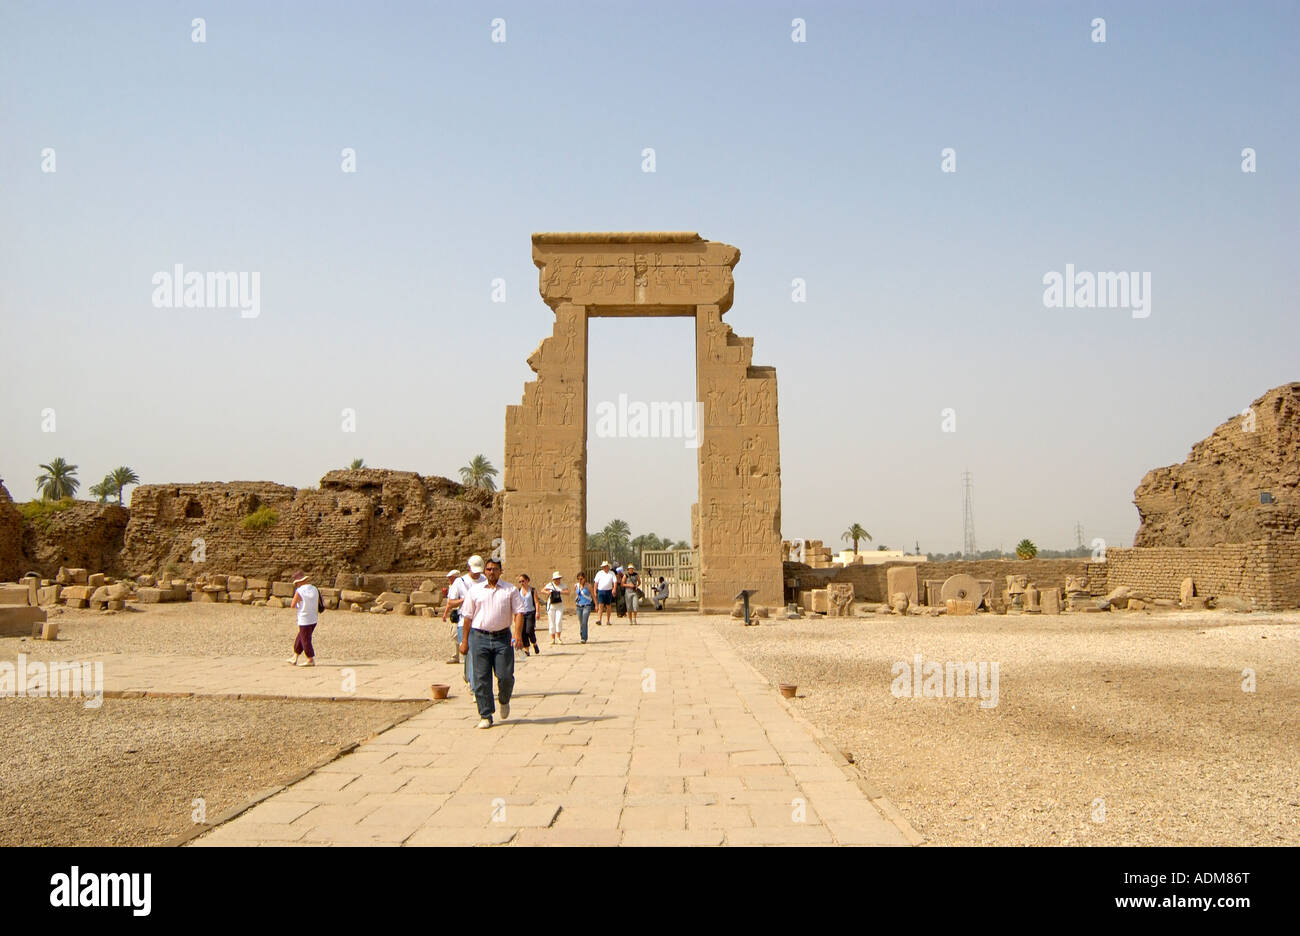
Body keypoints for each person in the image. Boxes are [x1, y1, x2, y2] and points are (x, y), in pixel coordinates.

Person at [458, 558, 524, 729]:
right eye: (488, 569)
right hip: (479, 637)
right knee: (481, 679)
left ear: (500, 571)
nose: (491, 572)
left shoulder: (510, 590)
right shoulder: (475, 591)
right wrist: (464, 641)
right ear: (484, 571)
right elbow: (467, 617)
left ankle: (504, 699)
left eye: (494, 569)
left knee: (505, 676)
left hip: (502, 638)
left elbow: (519, 613)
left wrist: (517, 634)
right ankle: (485, 714)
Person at [445, 557, 487, 689]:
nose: (476, 574)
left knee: (475, 655)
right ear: (468, 568)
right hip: (464, 622)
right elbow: (451, 602)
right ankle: (470, 678)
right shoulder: (459, 582)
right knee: (469, 654)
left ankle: (474, 687)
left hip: (480, 622)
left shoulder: (485, 580)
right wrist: (465, 599)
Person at [288, 570, 322, 666]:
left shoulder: (300, 591)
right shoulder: (315, 589)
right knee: (301, 637)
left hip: (304, 618)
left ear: (299, 582)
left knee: (305, 639)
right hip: (313, 617)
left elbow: (293, 605)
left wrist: (300, 604)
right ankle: (295, 656)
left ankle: (310, 659)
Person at [516, 573, 540, 655]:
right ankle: (526, 649)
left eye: (523, 581)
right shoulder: (518, 591)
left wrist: (537, 612)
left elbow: (536, 602)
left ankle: (534, 643)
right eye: (520, 581)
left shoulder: (532, 590)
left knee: (529, 630)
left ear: (527, 580)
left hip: (530, 612)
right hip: (522, 613)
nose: (522, 583)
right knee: (523, 632)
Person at [542, 571, 567, 645]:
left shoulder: (562, 585)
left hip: (559, 605)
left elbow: (568, 592)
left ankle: (558, 637)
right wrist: (548, 592)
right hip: (551, 606)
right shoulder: (550, 585)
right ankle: (552, 638)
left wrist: (560, 592)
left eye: (558, 578)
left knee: (558, 621)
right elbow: (542, 590)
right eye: (556, 579)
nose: (557, 580)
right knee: (551, 621)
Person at [593, 560, 617, 627]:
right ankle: (599, 620)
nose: (604, 568)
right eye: (603, 566)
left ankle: (608, 620)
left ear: (608, 567)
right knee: (600, 605)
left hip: (608, 591)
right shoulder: (599, 573)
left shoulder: (611, 573)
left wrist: (614, 589)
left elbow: (614, 582)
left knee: (608, 606)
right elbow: (596, 583)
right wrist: (595, 591)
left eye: (605, 566)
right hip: (601, 591)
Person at [574, 572, 594, 643]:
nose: (580, 580)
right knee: (581, 622)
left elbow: (593, 595)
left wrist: (596, 605)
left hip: (587, 605)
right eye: (578, 579)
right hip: (579, 606)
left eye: (581, 579)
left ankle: (584, 637)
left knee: (584, 621)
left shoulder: (588, 586)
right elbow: (577, 595)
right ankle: (582, 634)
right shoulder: (576, 586)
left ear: (584, 578)